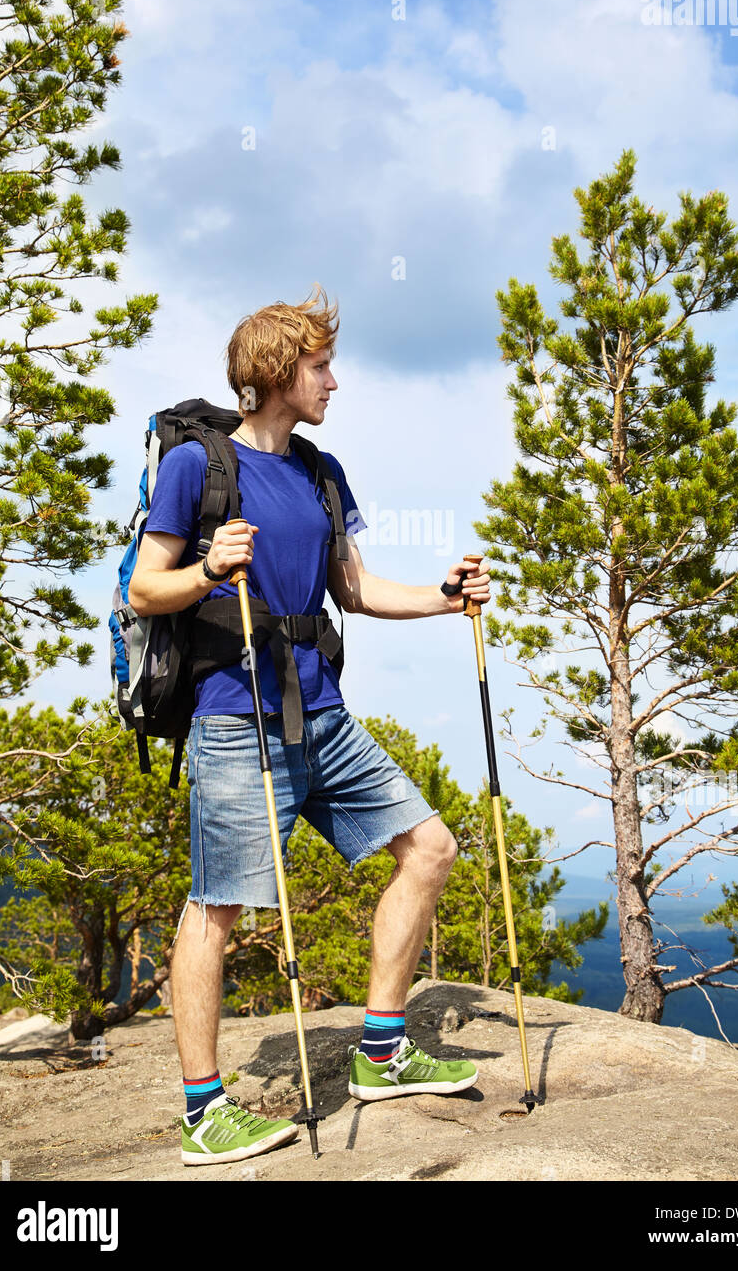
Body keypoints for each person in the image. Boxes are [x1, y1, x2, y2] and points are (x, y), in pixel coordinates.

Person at [128, 284, 490, 1167]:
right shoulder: (199, 466)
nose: (334, 380)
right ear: (275, 372)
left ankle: (380, 1051)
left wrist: (446, 601)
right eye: (320, 365)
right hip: (233, 718)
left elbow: (356, 592)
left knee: (431, 846)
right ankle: (205, 1110)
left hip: (321, 711)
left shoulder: (322, 473)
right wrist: (210, 568)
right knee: (218, 907)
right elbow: (146, 587)